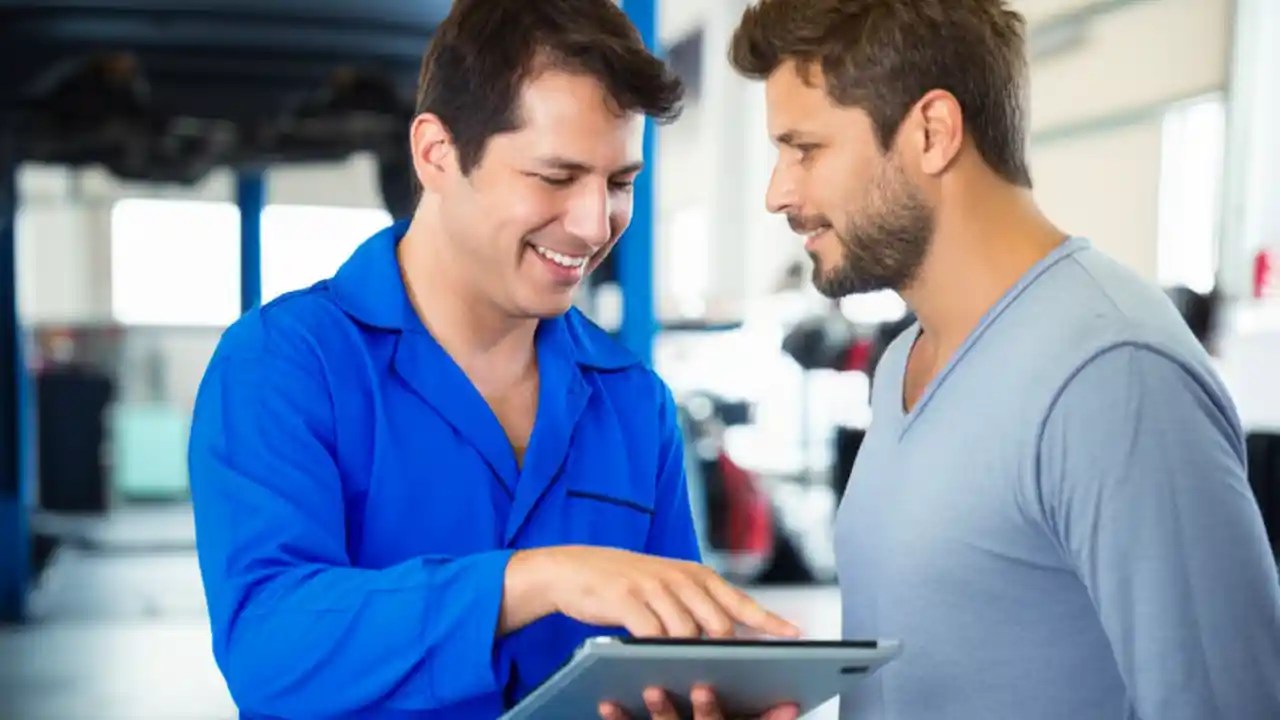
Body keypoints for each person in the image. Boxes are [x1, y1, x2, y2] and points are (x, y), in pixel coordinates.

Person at [186, 1, 798, 718]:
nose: (595, 223)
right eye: (556, 176)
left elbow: (673, 652)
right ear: (436, 154)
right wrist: (532, 582)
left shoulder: (633, 402)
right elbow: (269, 649)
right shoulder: (286, 367)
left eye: (619, 182)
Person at [720, 0, 1280, 719]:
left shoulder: (1112, 373)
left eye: (806, 149)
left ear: (932, 132)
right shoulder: (903, 367)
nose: (779, 193)